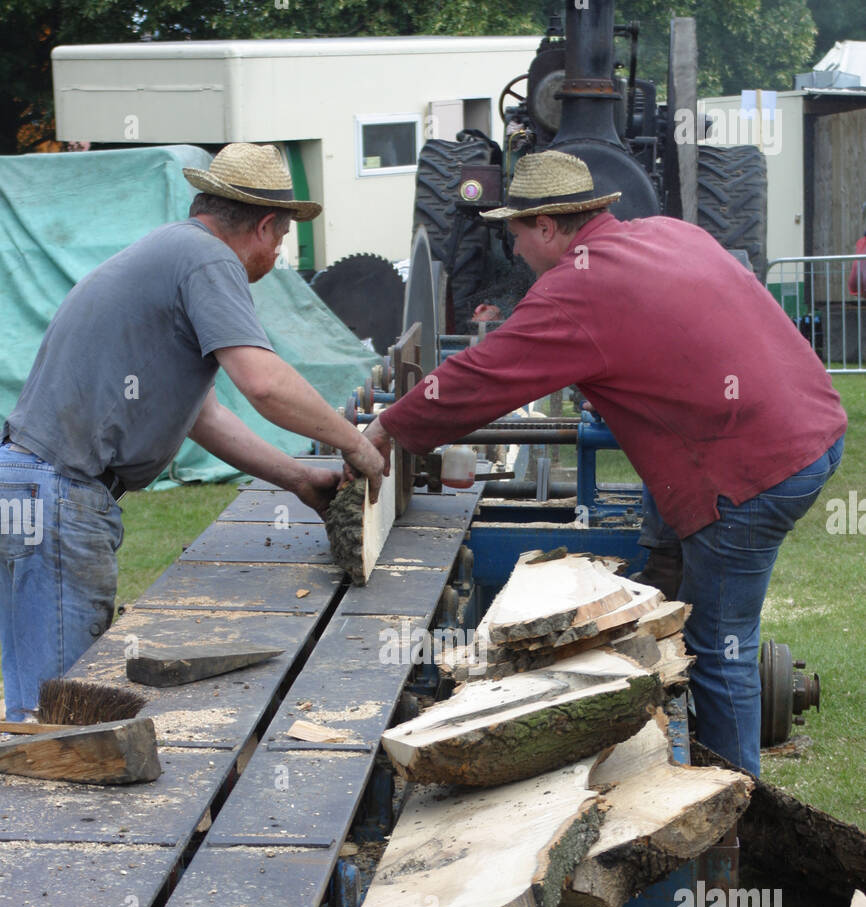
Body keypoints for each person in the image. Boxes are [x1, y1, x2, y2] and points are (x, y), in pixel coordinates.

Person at [365, 150, 847, 777]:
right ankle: (657, 606)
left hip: (754, 475)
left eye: (515, 232)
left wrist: (387, 427)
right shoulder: (669, 233)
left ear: (546, 228)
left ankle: (732, 812)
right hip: (812, 429)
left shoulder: (577, 289)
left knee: (721, 645)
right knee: (671, 547)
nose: (512, 249)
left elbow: (482, 377)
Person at [0, 142, 383, 722]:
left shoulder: (173, 251)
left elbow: (201, 416)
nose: (275, 255)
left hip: (38, 486)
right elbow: (263, 382)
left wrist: (299, 478)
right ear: (262, 226)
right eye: (280, 241)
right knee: (62, 724)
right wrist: (358, 443)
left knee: (43, 706)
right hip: (58, 494)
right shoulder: (208, 259)